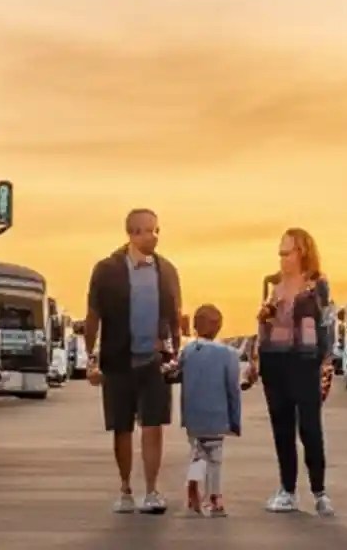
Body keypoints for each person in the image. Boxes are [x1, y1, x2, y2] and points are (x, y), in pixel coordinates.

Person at [85, 208, 183, 514]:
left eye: (155, 230)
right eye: (144, 231)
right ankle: (125, 488)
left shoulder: (166, 270)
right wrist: (91, 358)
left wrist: (174, 352)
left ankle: (152, 491)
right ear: (132, 233)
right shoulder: (107, 269)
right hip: (118, 361)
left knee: (153, 426)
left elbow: (175, 315)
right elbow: (93, 316)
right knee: (122, 427)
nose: (151, 236)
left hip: (155, 362)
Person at [246, 227, 337, 517]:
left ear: (303, 252)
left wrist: (325, 359)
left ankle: (320, 492)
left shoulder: (317, 285)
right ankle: (287, 490)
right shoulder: (273, 285)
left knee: (310, 428)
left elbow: (327, 324)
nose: (283, 259)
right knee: (282, 428)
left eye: (288, 252)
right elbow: (263, 325)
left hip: (304, 360)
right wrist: (256, 354)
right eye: (280, 253)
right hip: (275, 360)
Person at [177, 304, 242, 517]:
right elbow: (233, 389)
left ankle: (193, 489)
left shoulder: (187, 352)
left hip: (193, 417)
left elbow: (176, 373)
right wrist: (235, 420)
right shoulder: (228, 354)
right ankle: (215, 497)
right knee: (214, 458)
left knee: (197, 454)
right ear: (219, 327)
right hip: (217, 417)